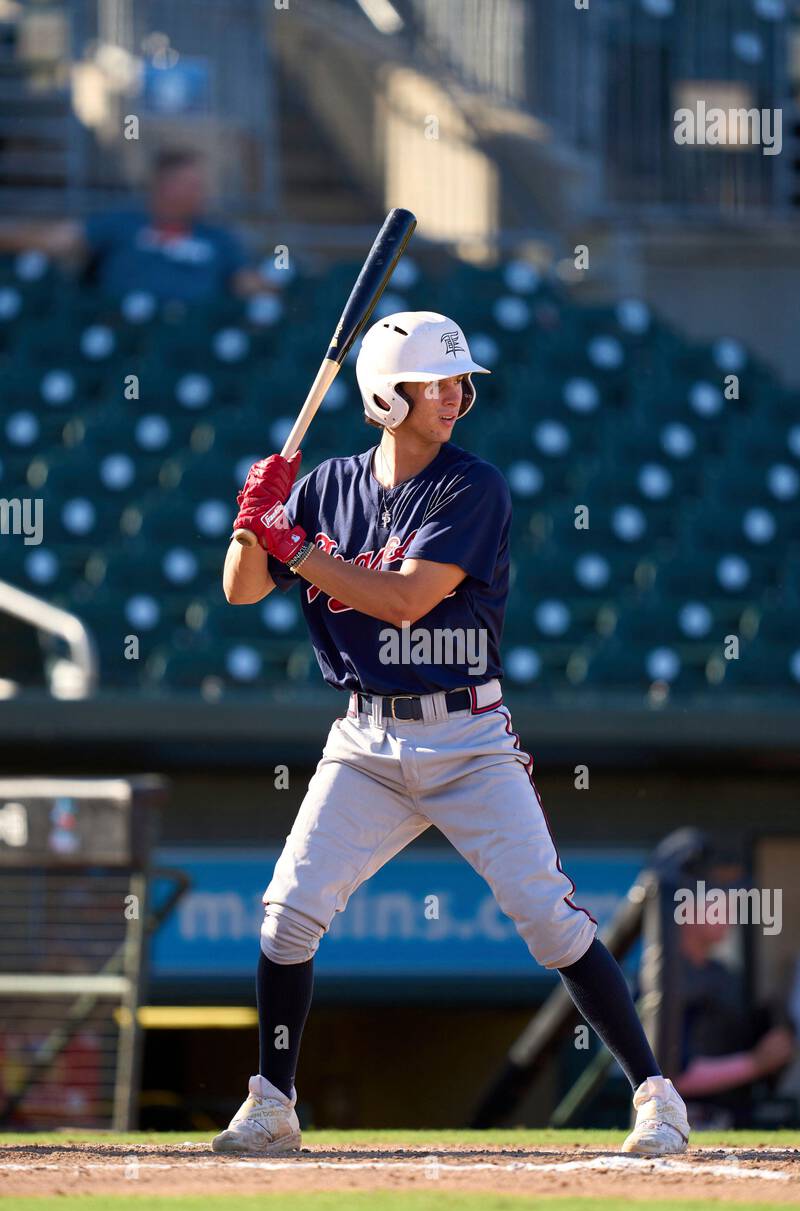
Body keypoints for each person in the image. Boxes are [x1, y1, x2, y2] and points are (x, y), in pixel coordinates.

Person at [215, 309, 691, 1158]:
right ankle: (273, 1101)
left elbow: (403, 600)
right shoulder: (325, 486)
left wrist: (294, 543)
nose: (455, 394)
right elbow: (242, 590)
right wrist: (255, 520)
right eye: (435, 381)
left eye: (458, 381)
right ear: (385, 397)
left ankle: (657, 1097)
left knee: (548, 919)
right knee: (287, 917)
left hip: (468, 736)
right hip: (364, 738)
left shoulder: (475, 487)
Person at [0, 148, 271, 301]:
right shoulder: (122, 223)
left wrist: (274, 284)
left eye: (199, 186)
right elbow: (57, 241)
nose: (201, 193)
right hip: (123, 337)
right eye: (191, 185)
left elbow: (245, 282)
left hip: (194, 344)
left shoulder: (218, 237)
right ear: (163, 186)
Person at [674, 904, 797, 1126]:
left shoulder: (724, 975)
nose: (727, 914)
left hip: (732, 1112)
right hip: (679, 1116)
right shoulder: (662, 978)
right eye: (714, 905)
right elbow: (671, 1076)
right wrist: (755, 1064)